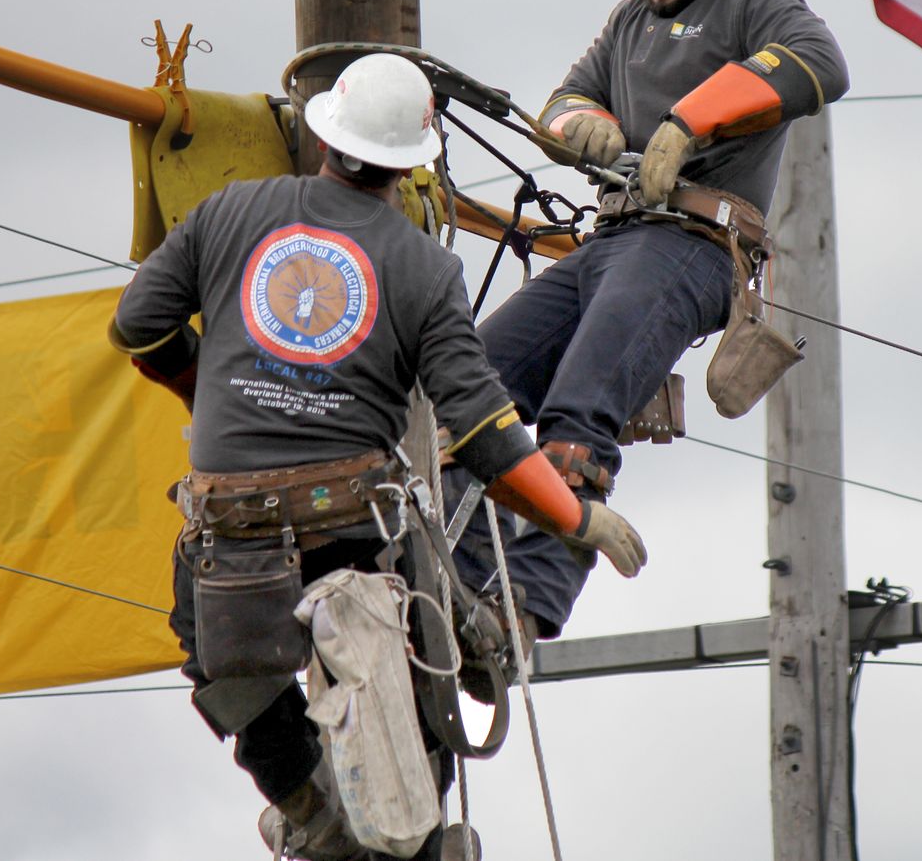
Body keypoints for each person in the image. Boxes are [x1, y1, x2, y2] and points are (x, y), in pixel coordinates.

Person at [110, 52, 646, 860]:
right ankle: (368, 820)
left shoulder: (227, 214)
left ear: (326, 132)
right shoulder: (426, 269)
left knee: (226, 666)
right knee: (404, 690)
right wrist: (578, 517)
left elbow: (139, 328)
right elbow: (489, 442)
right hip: (349, 537)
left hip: (231, 530)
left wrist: (202, 392)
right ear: (414, 163)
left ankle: (306, 805)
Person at [449, 0, 849, 653]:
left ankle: (523, 607)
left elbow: (821, 63)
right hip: (615, 239)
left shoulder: (752, 4)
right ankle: (449, 579)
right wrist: (578, 128)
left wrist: (691, 120)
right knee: (466, 386)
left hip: (695, 246)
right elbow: (563, 99)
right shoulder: (628, 24)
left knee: (579, 405)